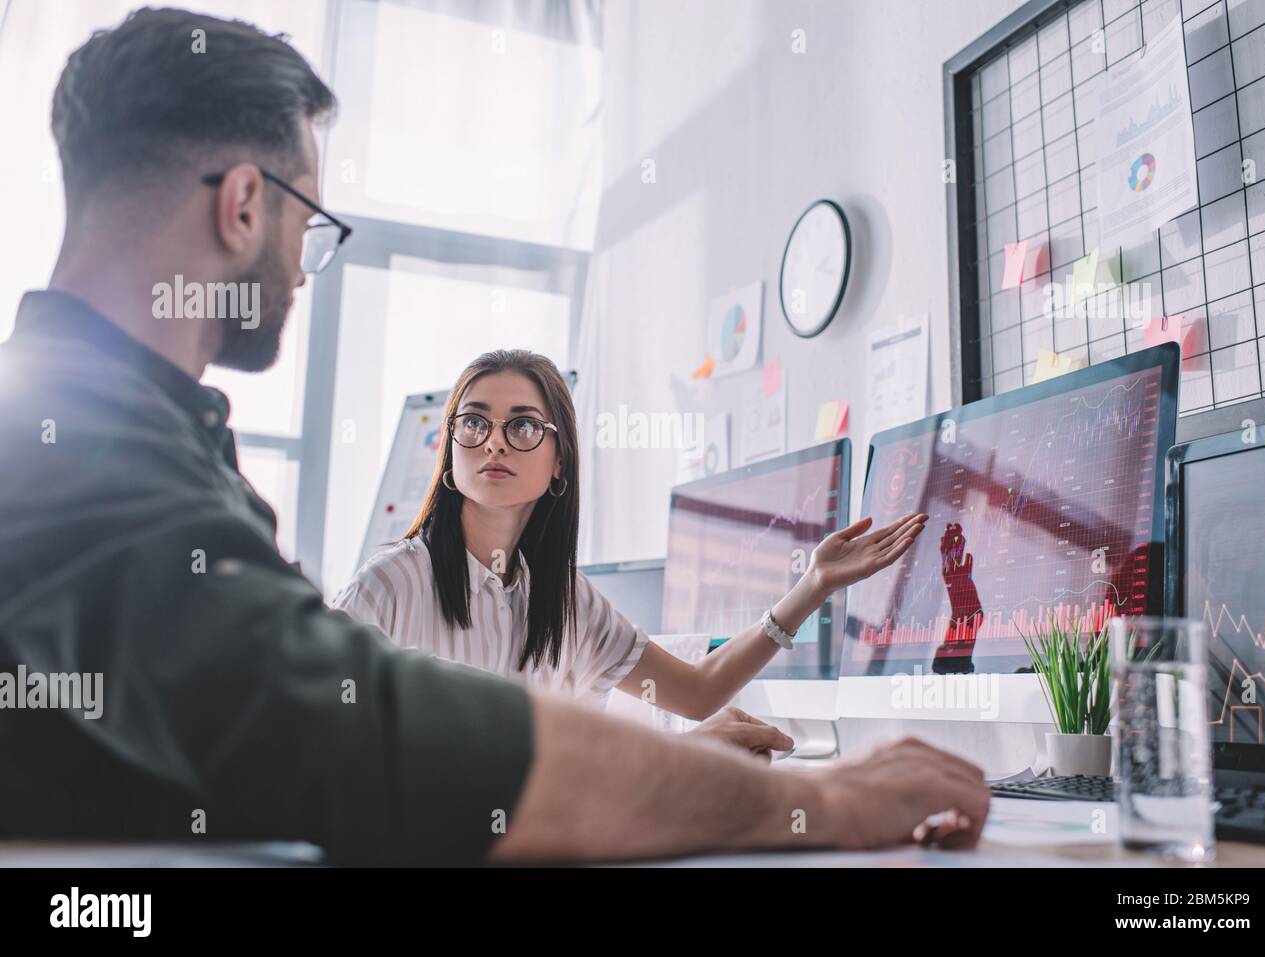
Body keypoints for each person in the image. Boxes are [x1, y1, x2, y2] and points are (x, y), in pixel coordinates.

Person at [0, 6, 989, 864]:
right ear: (246, 202)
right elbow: (376, 738)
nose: (304, 269)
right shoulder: (74, 447)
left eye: (526, 427)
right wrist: (827, 802)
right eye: (309, 220)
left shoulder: (142, 438)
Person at [334, 349, 928, 750]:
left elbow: (696, 693)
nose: (494, 442)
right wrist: (685, 760)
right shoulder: (389, 585)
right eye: (474, 423)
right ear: (450, 449)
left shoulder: (566, 603)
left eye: (521, 426)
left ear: (558, 459)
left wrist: (813, 587)